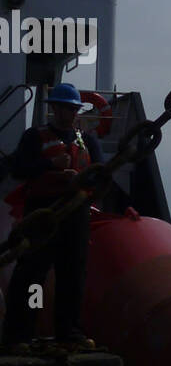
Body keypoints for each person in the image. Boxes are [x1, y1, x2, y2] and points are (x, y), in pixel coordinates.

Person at [1, 83, 104, 349]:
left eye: (70, 109)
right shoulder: (34, 137)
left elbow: (102, 174)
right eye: (61, 108)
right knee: (31, 272)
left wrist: (83, 182)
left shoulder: (87, 140)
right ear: (53, 109)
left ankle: (70, 334)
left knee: (72, 274)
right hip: (43, 213)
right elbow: (20, 169)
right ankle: (18, 335)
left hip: (76, 214)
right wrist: (50, 166)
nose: (66, 114)